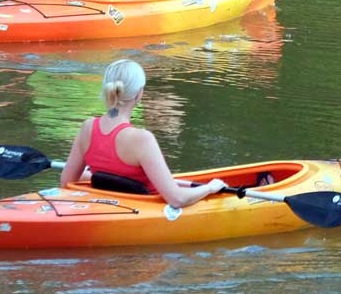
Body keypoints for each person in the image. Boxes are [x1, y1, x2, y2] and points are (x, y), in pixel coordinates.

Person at [56, 60, 227, 208]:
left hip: (112, 205)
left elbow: (66, 183)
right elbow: (176, 199)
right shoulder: (142, 139)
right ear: (139, 94)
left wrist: (95, 176)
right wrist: (210, 188)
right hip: (144, 208)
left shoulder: (88, 127)